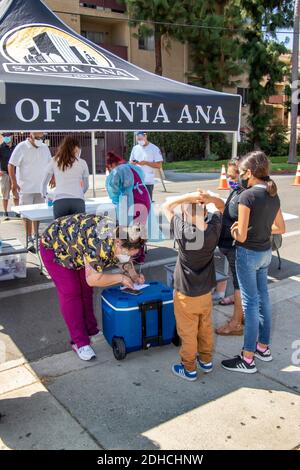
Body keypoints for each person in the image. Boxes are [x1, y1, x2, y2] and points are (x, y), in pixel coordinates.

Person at [40, 215, 146, 361]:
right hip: (56, 247)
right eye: (127, 253)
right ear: (117, 243)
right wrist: (121, 278)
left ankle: (91, 329)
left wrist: (133, 275)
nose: (129, 257)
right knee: (71, 291)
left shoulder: (124, 236)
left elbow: (123, 259)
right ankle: (80, 342)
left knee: (85, 290)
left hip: (77, 246)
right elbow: (93, 279)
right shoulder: (98, 246)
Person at [221, 151, 285, 374]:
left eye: (240, 173)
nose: (239, 176)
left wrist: (235, 229)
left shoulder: (247, 196)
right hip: (265, 252)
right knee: (263, 300)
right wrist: (260, 229)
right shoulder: (272, 193)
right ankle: (263, 348)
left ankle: (247, 358)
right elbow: (280, 228)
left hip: (247, 254)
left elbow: (240, 236)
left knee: (250, 305)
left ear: (249, 173)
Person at [163, 191, 224, 381]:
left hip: (185, 293)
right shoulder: (214, 228)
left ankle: (188, 368)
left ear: (187, 214)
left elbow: (166, 207)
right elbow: (221, 206)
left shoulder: (185, 232)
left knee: (188, 333)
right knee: (205, 327)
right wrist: (208, 199)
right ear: (205, 211)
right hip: (206, 291)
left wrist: (187, 197)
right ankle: (205, 360)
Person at [8, 132, 51, 252]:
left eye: (41, 137)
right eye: (37, 137)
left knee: (38, 214)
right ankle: (28, 238)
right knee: (26, 215)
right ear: (31, 135)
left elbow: (50, 164)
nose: (40, 139)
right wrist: (13, 182)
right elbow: (11, 165)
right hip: (25, 188)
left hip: (40, 188)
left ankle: (35, 236)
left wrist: (53, 177)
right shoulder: (21, 147)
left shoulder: (45, 148)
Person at [215, 159, 244, 336]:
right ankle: (241, 313)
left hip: (236, 247)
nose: (230, 180)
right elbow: (229, 212)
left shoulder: (246, 195)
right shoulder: (235, 191)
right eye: (228, 176)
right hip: (227, 245)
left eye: (233, 177)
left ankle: (236, 323)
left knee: (239, 285)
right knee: (239, 285)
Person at [106, 151, 151, 263]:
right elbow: (142, 177)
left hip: (133, 200)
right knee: (140, 228)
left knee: (129, 230)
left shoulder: (118, 170)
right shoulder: (132, 167)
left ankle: (130, 256)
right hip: (144, 197)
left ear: (111, 165)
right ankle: (140, 255)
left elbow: (112, 186)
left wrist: (116, 200)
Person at [41, 136, 89, 219]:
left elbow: (44, 182)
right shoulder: (82, 163)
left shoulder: (54, 160)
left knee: (60, 230)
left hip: (60, 201)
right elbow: (86, 185)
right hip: (78, 201)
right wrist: (79, 193)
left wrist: (45, 195)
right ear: (76, 148)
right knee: (78, 230)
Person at [130, 132, 163, 201]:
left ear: (145, 137)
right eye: (138, 140)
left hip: (148, 181)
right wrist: (132, 163)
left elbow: (159, 165)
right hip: (136, 181)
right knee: (136, 204)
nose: (139, 141)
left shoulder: (154, 148)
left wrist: (146, 163)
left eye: (140, 139)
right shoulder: (135, 148)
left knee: (147, 204)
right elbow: (130, 162)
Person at [0, 133, 18, 220]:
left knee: (16, 194)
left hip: (15, 174)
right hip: (5, 173)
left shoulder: (16, 147)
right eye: (5, 136)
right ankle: (5, 211)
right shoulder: (1, 147)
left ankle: (17, 211)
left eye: (8, 136)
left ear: (12, 136)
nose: (6, 137)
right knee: (5, 193)